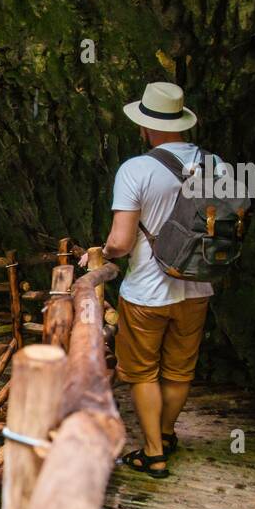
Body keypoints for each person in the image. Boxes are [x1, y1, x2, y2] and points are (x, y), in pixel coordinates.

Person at [79, 82, 214, 479]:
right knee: (179, 370)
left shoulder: (136, 169)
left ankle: (153, 453)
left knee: (142, 372)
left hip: (147, 294)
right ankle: (168, 434)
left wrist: (100, 254)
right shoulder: (215, 165)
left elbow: (120, 242)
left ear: (145, 127)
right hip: (198, 287)